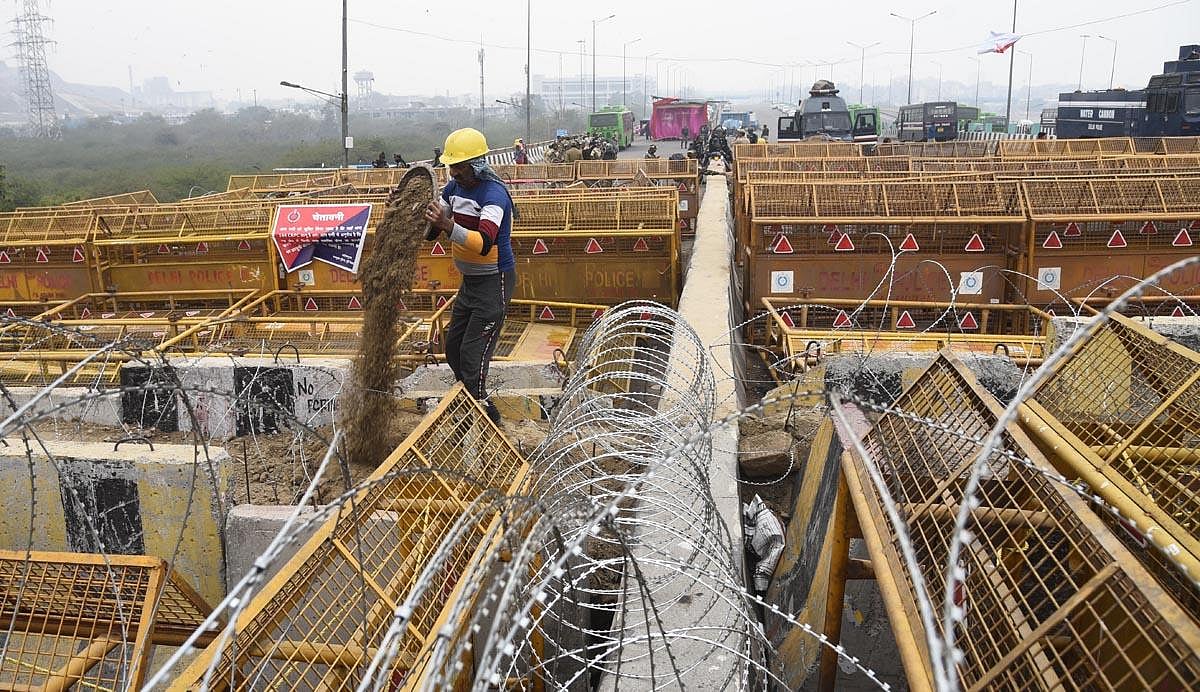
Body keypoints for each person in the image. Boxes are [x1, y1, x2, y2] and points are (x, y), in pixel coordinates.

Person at [422, 128, 517, 426]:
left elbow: (484, 241)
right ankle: (471, 401)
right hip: (470, 284)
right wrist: (414, 213)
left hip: (493, 283)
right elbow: (433, 230)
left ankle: (487, 417)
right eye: (451, 166)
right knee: (453, 349)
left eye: (459, 167)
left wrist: (447, 226)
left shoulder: (493, 195)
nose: (453, 172)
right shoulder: (455, 189)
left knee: (472, 356)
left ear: (477, 164)